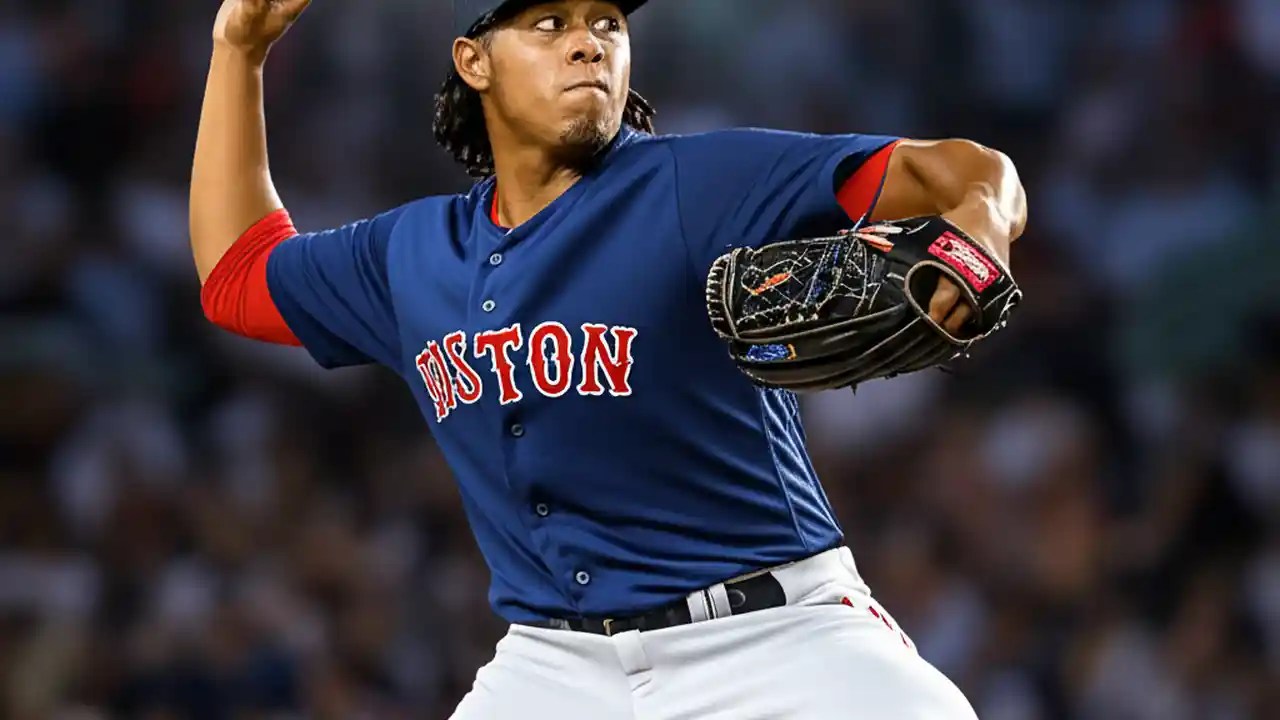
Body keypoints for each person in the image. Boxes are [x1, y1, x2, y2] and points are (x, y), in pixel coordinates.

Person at [192, 0, 1027, 716]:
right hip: (554, 666)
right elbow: (236, 278)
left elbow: (963, 171)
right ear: (473, 62)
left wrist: (980, 228)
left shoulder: (700, 182)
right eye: (549, 23)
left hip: (775, 639)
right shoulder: (410, 255)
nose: (588, 41)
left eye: (606, 22)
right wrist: (240, 51)